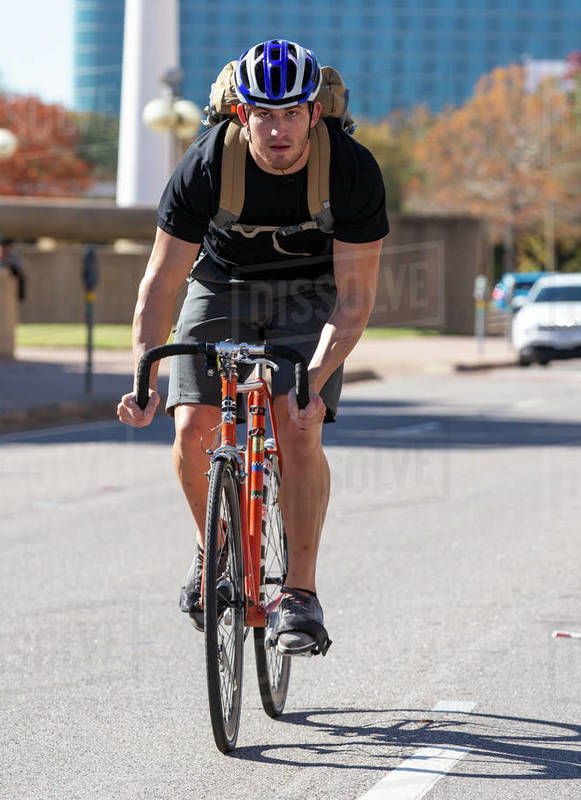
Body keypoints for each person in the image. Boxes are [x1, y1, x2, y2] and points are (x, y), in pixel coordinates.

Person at [117, 39, 387, 656]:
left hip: (313, 294)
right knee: (193, 427)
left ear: (314, 113)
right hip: (223, 284)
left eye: (291, 113)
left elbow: (354, 299)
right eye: (263, 114)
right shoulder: (206, 163)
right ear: (242, 113)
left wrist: (314, 378)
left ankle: (300, 594)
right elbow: (160, 283)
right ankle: (212, 552)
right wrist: (143, 376)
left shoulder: (351, 170)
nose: (277, 129)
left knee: (297, 427)